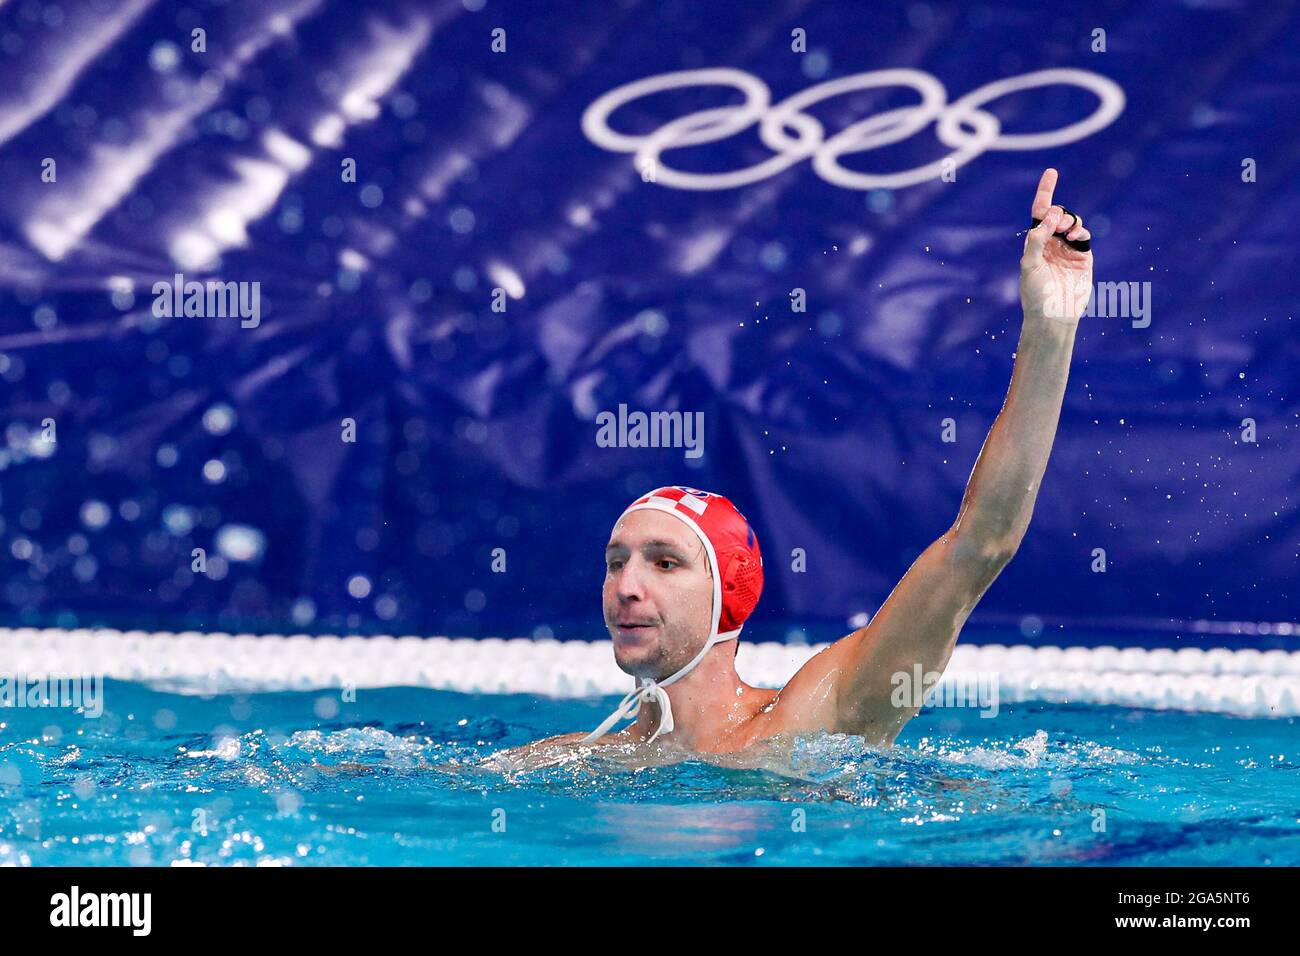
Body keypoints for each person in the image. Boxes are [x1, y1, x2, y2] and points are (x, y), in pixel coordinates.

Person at [522, 167, 1093, 756]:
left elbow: (981, 543)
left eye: (665, 564)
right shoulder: (572, 760)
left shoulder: (813, 714)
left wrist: (1051, 330)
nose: (627, 588)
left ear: (730, 594)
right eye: (617, 563)